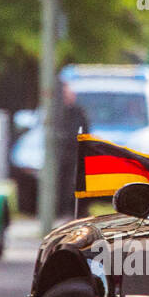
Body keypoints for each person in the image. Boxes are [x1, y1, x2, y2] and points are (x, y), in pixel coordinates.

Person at [57, 82, 90, 218]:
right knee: (61, 183)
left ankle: (73, 211)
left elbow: (83, 131)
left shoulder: (78, 112)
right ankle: (61, 210)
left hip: (74, 153)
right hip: (60, 155)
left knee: (73, 183)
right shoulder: (57, 112)